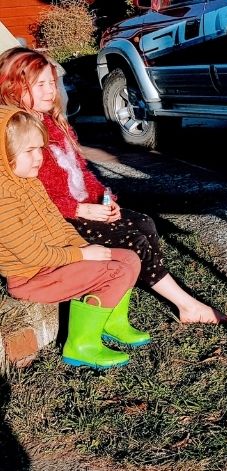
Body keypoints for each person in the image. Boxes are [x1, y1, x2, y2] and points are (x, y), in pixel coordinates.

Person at [0, 47, 227, 324]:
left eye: (52, 82)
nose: (50, 90)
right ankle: (186, 305)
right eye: (40, 85)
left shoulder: (53, 122)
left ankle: (135, 294)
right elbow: (38, 197)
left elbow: (81, 172)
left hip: (82, 209)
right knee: (131, 240)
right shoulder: (20, 136)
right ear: (15, 87)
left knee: (144, 222)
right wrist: (80, 210)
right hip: (61, 220)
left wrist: (103, 198)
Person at [0, 105, 150, 369]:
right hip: (32, 277)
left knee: (129, 259)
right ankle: (81, 345)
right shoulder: (4, 197)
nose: (39, 157)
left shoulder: (31, 183)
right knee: (113, 272)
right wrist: (82, 255)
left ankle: (110, 322)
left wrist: (84, 246)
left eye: (40, 149)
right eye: (29, 151)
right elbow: (31, 253)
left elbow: (59, 225)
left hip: (54, 263)